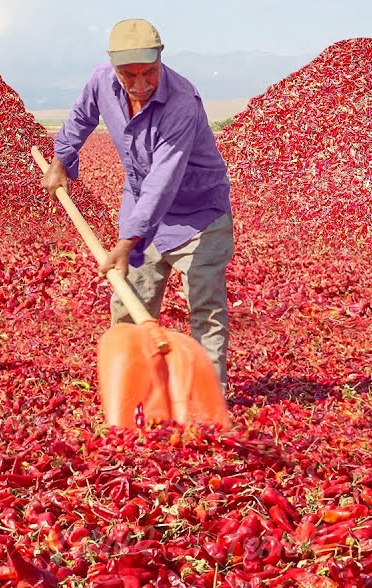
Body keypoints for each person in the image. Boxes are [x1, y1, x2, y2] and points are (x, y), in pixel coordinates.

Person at [41, 18, 234, 393]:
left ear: (161, 60)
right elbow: (81, 118)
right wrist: (61, 160)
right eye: (130, 75)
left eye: (150, 72)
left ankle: (211, 393)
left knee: (205, 307)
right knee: (129, 303)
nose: (141, 84)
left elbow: (163, 181)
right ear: (114, 67)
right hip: (142, 209)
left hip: (199, 216)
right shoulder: (101, 82)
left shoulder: (182, 103)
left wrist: (128, 241)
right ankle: (130, 387)